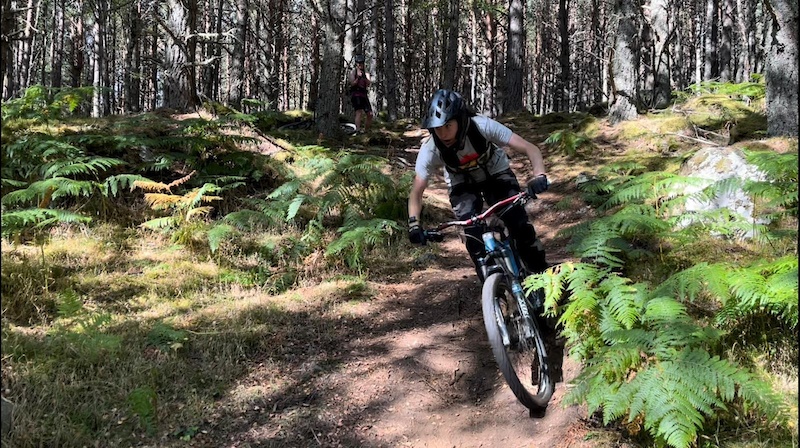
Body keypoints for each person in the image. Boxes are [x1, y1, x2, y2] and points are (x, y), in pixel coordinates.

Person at [407, 89, 550, 280]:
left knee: (519, 224)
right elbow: (417, 191)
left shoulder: (482, 126)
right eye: (437, 128)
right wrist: (414, 224)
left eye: (448, 126)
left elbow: (529, 148)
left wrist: (539, 176)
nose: (442, 133)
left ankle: (545, 278)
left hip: (496, 173)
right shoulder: (430, 149)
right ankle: (493, 291)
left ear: (460, 118)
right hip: (462, 184)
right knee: (473, 238)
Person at [348, 55, 374, 133]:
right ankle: (358, 130)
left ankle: (366, 130)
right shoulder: (353, 72)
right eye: (358, 63)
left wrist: (364, 77)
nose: (360, 65)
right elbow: (352, 83)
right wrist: (358, 77)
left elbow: (368, 83)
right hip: (356, 94)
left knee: (370, 114)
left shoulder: (366, 73)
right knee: (358, 112)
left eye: (361, 63)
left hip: (364, 94)